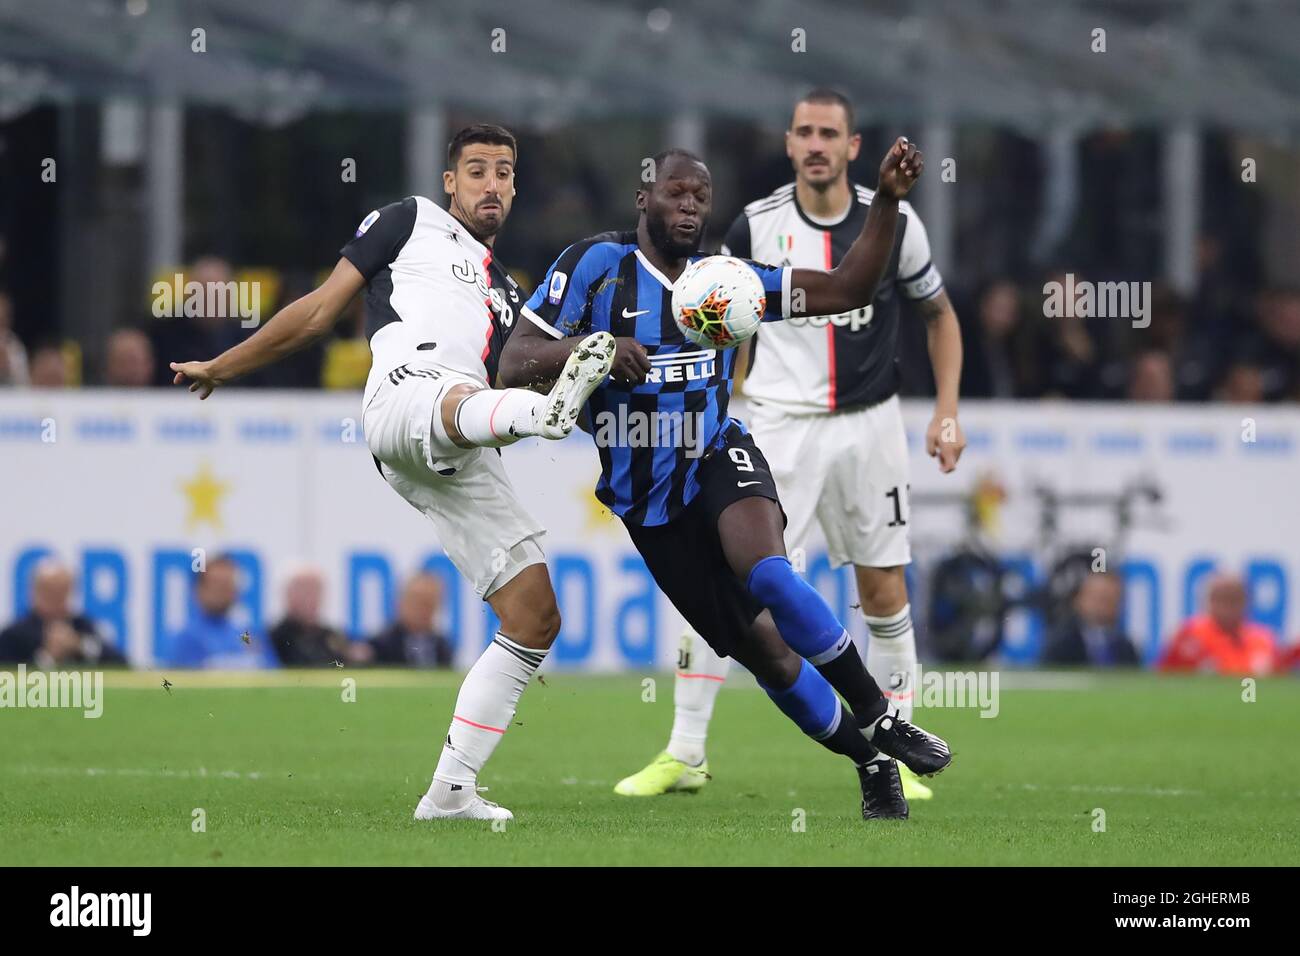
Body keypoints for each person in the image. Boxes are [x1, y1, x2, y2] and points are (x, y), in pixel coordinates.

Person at [170, 124, 616, 822]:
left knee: (534, 615)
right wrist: (222, 366)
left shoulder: (507, 290)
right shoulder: (409, 220)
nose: (491, 183)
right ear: (450, 182)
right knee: (462, 395)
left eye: (503, 172)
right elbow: (319, 313)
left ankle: (450, 793)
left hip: (462, 441)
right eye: (476, 170)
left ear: (515, 186)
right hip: (407, 397)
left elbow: (512, 366)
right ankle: (542, 416)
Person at [501, 135, 951, 822]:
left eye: (702, 197)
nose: (689, 206)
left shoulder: (727, 279)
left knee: (769, 571)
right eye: (677, 192)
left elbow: (848, 286)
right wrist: (590, 348)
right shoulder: (596, 266)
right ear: (644, 197)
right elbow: (514, 361)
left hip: (717, 456)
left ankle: (881, 715)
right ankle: (870, 762)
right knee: (767, 656)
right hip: (647, 503)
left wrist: (886, 200)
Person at [610, 89, 967, 803]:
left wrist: (948, 411)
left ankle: (895, 745)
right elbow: (712, 317)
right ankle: (685, 751)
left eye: (828, 132)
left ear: (852, 145)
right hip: (776, 419)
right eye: (803, 131)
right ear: (788, 142)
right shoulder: (755, 225)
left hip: (869, 422)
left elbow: (937, 312)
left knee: (883, 587)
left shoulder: (893, 221)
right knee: (747, 586)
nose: (815, 143)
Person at [0, 558, 124, 667]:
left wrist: (79, 645)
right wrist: (48, 657)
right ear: (34, 591)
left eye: (61, 591)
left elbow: (121, 663)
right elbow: (9, 681)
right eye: (49, 591)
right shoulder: (14, 636)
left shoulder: (81, 626)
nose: (55, 598)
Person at [1159, 573, 1281, 675]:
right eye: (1221, 599)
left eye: (1234, 599)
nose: (1227, 607)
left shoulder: (1263, 639)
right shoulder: (1189, 635)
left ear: (1247, 602)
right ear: (1208, 601)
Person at [169, 555, 277, 669]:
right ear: (199, 590)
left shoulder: (249, 633)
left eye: (228, 584)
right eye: (216, 585)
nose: (222, 591)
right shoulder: (186, 638)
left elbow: (273, 675)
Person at [268, 565, 363, 666]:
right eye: (303, 590)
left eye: (316, 590)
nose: (310, 597)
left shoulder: (333, 637)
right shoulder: (273, 639)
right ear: (287, 594)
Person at [1042, 573, 1139, 667]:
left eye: (1112, 599)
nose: (1104, 606)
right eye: (1100, 598)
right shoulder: (1061, 644)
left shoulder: (1126, 648)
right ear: (1079, 599)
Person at [368, 573, 454, 668]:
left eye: (430, 602)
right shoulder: (380, 646)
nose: (423, 609)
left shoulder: (444, 647)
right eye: (418, 602)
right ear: (401, 602)